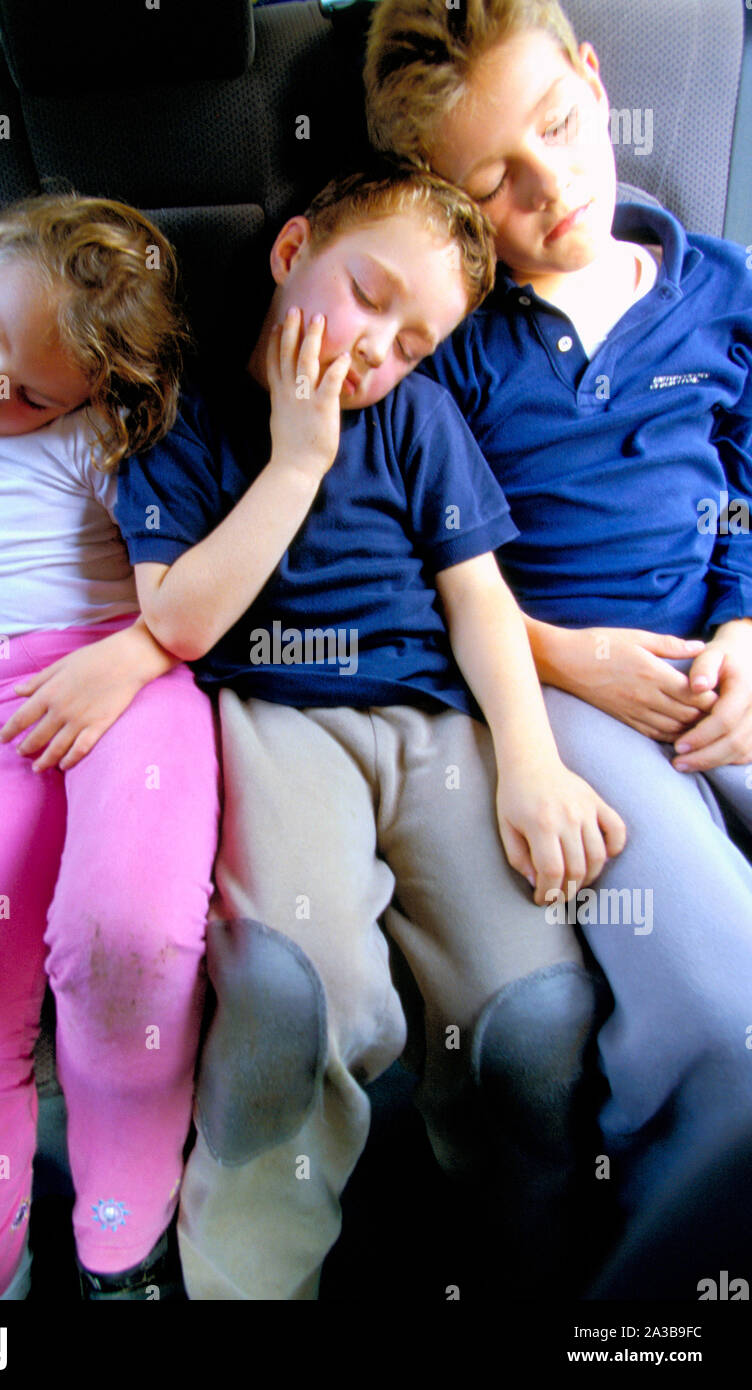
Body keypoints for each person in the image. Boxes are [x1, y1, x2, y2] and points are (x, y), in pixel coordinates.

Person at [114, 165, 687, 1301]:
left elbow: (477, 601)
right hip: (276, 718)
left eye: (413, 343)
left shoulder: (417, 421)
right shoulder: (184, 413)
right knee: (297, 991)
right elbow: (175, 620)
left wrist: (525, 760)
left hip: (434, 723)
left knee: (534, 1015)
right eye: (366, 296)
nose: (377, 351)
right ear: (290, 257)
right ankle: (247, 1271)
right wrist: (299, 457)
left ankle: (512, 1260)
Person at [365, 0, 752, 1249]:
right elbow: (410, 561)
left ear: (593, 78)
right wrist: (560, 656)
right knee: (719, 1007)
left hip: (724, 668)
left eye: (561, 127)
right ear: (443, 202)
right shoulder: (452, 351)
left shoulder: (716, 292)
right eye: (494, 185)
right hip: (562, 702)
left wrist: (745, 619)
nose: (551, 188)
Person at [0, 194, 220, 1301]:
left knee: (123, 948)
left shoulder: (101, 433)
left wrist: (142, 656)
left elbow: (180, 593)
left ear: (83, 398)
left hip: (130, 686)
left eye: (28, 393)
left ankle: (122, 1240)